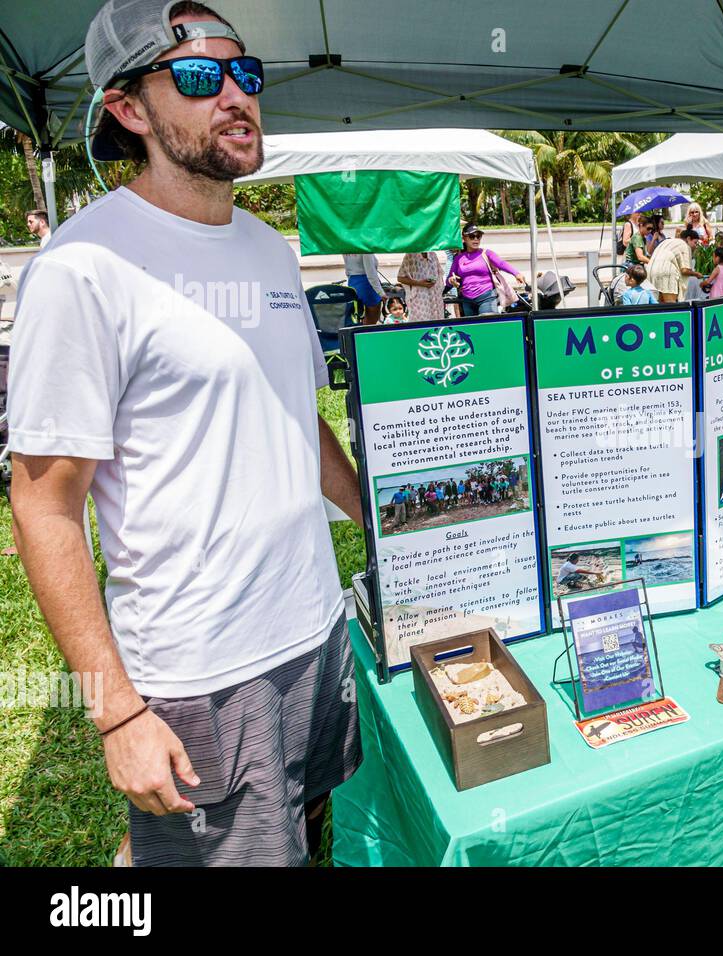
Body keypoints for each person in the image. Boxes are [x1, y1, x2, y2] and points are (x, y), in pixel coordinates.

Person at [8, 0, 363, 867]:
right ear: (128, 109)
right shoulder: (84, 268)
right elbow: (44, 506)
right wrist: (118, 711)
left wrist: (385, 526)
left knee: (311, 841)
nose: (235, 95)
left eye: (245, 74)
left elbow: (297, 420)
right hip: (203, 678)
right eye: (201, 78)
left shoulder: (272, 250)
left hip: (318, 637)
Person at [448, 224, 523, 317]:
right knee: (471, 330)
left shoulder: (486, 253)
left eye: (478, 236)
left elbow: (501, 263)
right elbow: (450, 279)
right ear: (464, 238)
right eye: (472, 236)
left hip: (487, 298)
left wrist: (516, 273)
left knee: (487, 327)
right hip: (467, 301)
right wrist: (451, 282)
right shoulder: (458, 258)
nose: (476, 239)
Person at [647, 227, 703, 303]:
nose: (696, 246)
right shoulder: (685, 245)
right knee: (671, 305)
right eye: (695, 242)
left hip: (650, 270)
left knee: (659, 305)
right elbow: (684, 270)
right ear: (688, 239)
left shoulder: (668, 240)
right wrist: (696, 274)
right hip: (666, 272)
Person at [398, 250, 445, 323]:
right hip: (419, 299)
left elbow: (439, 274)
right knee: (421, 324)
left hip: (435, 298)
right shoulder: (410, 255)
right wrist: (419, 283)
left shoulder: (433, 254)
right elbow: (400, 277)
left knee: (436, 324)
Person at [343, 251, 384, 325]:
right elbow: (371, 273)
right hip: (367, 284)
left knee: (358, 319)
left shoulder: (347, 245)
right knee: (371, 323)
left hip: (353, 282)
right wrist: (381, 293)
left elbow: (347, 270)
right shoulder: (365, 248)